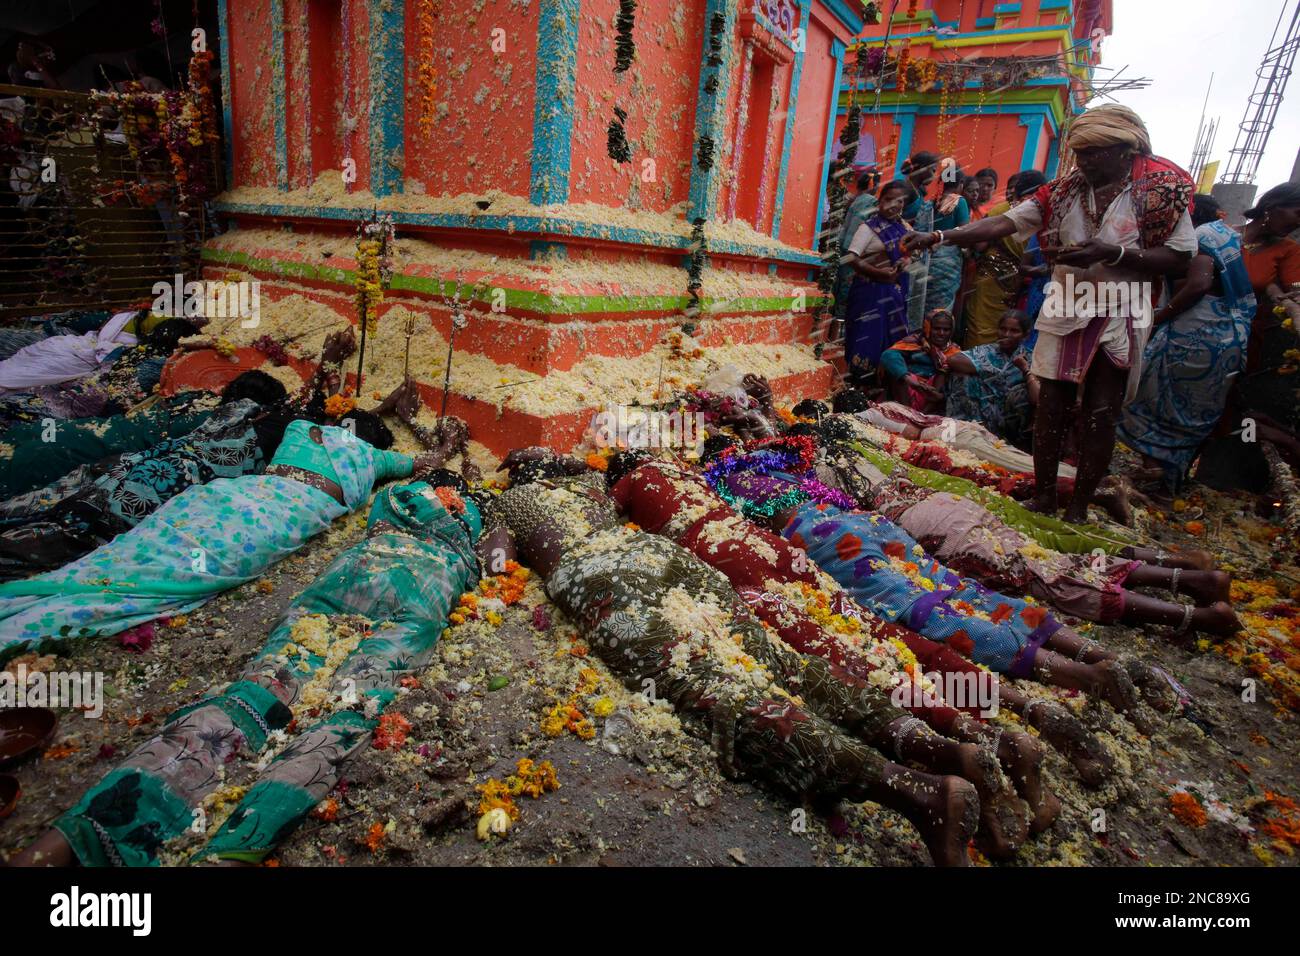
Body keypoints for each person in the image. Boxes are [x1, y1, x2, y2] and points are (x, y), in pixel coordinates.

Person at [490, 470, 980, 865]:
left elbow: (496, 565)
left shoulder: (508, 504)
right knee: (775, 659)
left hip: (598, 575)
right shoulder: (585, 486)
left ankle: (917, 793)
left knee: (712, 687)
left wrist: (503, 542)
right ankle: (933, 746)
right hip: (656, 553)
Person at [9, 478, 483, 867]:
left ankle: (47, 854)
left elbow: (390, 492)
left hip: (350, 579)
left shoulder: (398, 501)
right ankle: (231, 852)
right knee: (346, 711)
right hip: (419, 595)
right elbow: (486, 558)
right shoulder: (467, 527)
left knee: (257, 691)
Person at [610, 454, 1063, 840]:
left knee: (839, 652)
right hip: (769, 546)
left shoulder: (632, 480)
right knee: (876, 630)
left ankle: (968, 734)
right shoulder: (688, 472)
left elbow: (607, 521)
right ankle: (1009, 714)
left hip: (726, 559)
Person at [907, 104, 1197, 523]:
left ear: (1124, 150)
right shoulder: (1062, 192)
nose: (1085, 162)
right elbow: (1002, 224)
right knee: (1051, 406)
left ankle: (1079, 507)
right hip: (1066, 305)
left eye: (1095, 153)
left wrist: (1112, 252)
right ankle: (1045, 497)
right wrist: (938, 235)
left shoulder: (1160, 192)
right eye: (1080, 153)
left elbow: (1180, 257)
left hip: (1121, 309)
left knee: (1101, 410)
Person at [0, 399, 471, 650]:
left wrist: (382, 404)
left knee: (138, 551)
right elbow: (427, 463)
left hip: (230, 496)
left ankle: (40, 593)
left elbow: (322, 405)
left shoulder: (297, 429)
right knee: (156, 575)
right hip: (268, 514)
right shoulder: (374, 456)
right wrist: (447, 441)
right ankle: (33, 624)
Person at [1117, 195, 1257, 494]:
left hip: (1195, 336)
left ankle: (1156, 472)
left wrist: (1156, 320)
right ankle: (1167, 477)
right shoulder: (1228, 237)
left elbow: (1199, 284)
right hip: (1223, 340)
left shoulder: (1202, 239)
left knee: (1153, 402)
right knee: (1191, 413)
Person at [958, 171, 1047, 348]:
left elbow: (980, 245)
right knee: (1008, 331)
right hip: (1023, 285)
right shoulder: (1042, 214)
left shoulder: (1002, 211)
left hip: (991, 279)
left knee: (979, 329)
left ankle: (976, 366)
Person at [840, 180, 913, 383]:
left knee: (891, 343)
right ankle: (860, 384)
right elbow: (851, 257)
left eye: (898, 201)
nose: (893, 205)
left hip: (893, 296)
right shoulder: (869, 228)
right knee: (866, 341)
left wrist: (903, 263)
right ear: (879, 201)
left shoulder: (904, 228)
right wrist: (880, 274)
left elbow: (909, 255)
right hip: (870, 295)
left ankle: (883, 386)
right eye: (888, 199)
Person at [945, 309, 1038, 444]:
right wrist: (994, 372)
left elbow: (1037, 397)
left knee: (1020, 392)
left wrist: (1025, 370)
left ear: (1025, 335)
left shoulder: (1031, 358)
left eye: (1014, 331)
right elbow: (954, 360)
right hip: (982, 411)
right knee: (962, 377)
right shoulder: (987, 351)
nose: (1006, 334)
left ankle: (1014, 442)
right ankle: (963, 430)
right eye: (1003, 329)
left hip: (1011, 417)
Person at [0, 310, 140, 394]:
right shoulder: (130, 319)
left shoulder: (128, 321)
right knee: (24, 368)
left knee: (25, 372)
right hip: (76, 348)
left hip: (76, 348)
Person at [879, 308, 960, 411]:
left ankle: (922, 415)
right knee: (898, 374)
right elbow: (888, 355)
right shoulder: (915, 343)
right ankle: (907, 412)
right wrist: (910, 381)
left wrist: (937, 395)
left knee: (945, 371)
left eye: (946, 329)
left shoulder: (955, 352)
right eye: (937, 328)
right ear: (928, 328)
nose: (941, 333)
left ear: (951, 331)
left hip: (933, 398)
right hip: (907, 392)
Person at [832, 167, 882, 324]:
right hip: (855, 249)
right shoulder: (871, 201)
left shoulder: (856, 199)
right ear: (873, 185)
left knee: (839, 285)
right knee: (847, 289)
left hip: (844, 246)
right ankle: (840, 321)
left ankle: (834, 320)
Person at [901, 152, 941, 330]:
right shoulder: (906, 189)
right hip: (903, 249)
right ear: (920, 168)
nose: (934, 176)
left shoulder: (917, 191)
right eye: (932, 170)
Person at [924, 169, 971, 313]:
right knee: (941, 308)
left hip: (928, 258)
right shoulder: (959, 202)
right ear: (961, 184)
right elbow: (964, 234)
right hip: (947, 263)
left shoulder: (932, 201)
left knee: (925, 301)